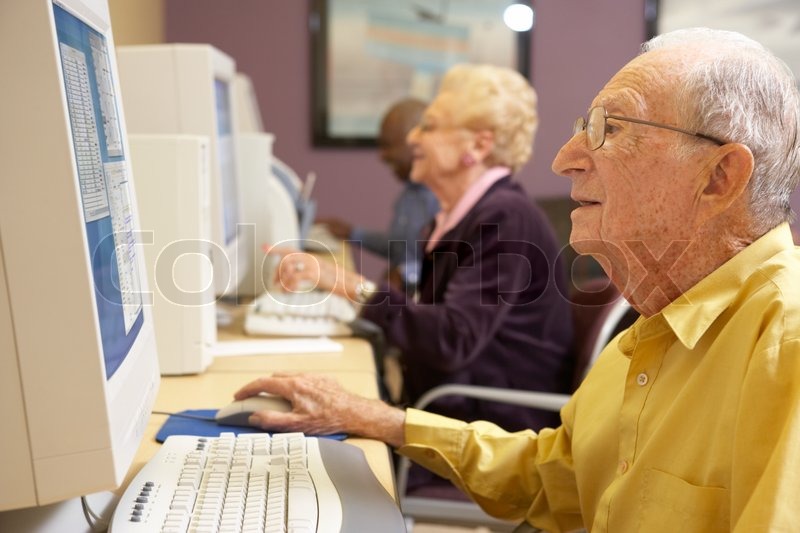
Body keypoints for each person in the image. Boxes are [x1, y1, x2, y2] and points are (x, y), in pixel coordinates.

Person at [239, 27, 800, 532]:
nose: (565, 159)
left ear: (719, 176)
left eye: (612, 129)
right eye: (584, 128)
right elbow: (553, 476)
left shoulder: (786, 348)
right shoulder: (655, 320)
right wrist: (380, 418)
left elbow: (451, 339)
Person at [268, 63, 575, 493]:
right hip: (450, 410)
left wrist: (346, 284)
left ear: (478, 145)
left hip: (491, 432)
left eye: (428, 126)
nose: (413, 138)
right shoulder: (456, 219)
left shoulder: (505, 219)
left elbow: (450, 340)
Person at [317, 98, 439, 293]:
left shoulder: (442, 199)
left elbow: (451, 268)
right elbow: (401, 248)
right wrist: (351, 233)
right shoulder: (410, 192)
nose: (382, 155)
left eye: (389, 145)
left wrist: (406, 273)